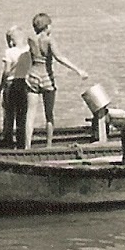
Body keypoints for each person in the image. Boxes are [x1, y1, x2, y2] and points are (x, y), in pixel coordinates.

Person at [22, 12, 88, 148]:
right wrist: (78, 70)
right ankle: (49, 145)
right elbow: (60, 57)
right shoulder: (49, 40)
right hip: (46, 78)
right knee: (49, 114)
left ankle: (27, 146)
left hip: (32, 76)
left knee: (30, 114)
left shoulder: (30, 39)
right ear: (47, 26)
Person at [0, 26, 32, 147]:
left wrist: (1, 84)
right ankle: (22, 141)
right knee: (22, 113)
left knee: (9, 112)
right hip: (24, 83)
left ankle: (7, 139)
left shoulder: (9, 52)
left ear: (11, 41)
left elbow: (6, 71)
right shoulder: (28, 51)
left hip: (11, 83)